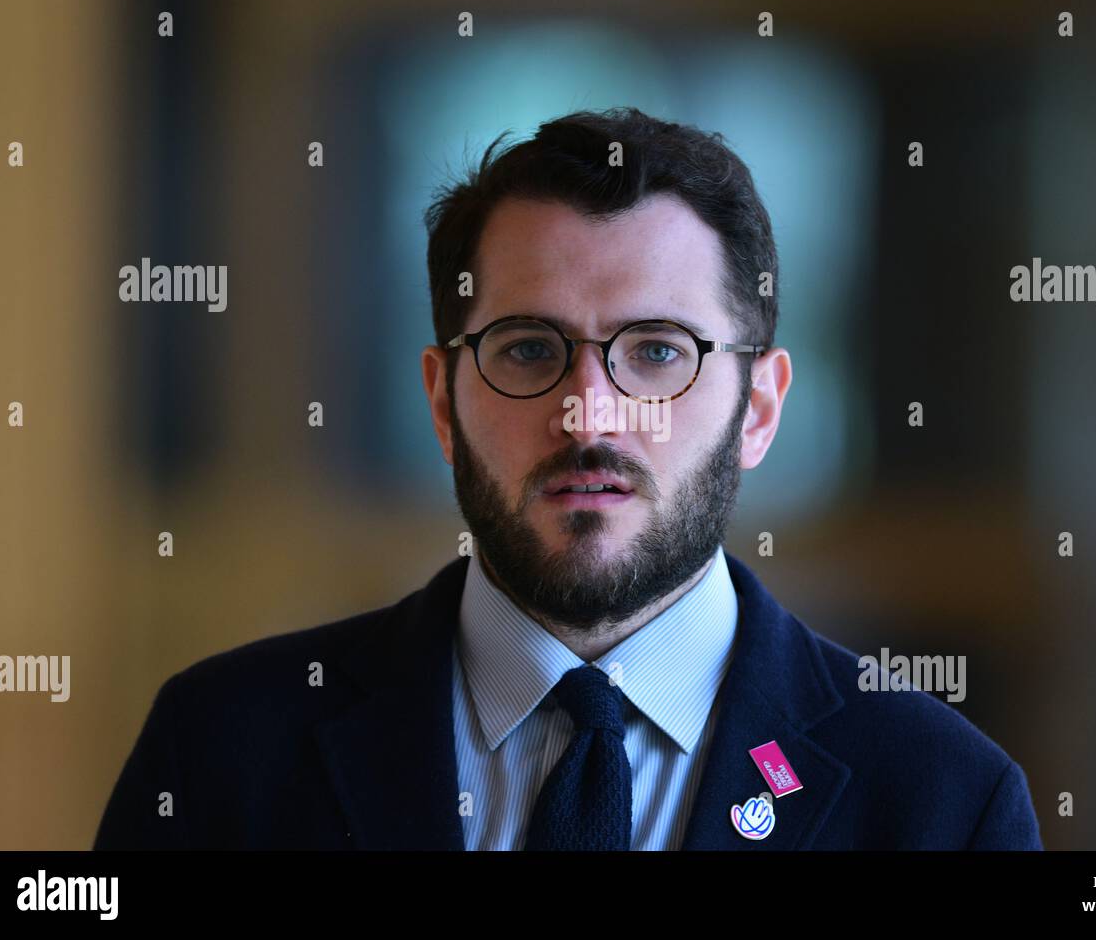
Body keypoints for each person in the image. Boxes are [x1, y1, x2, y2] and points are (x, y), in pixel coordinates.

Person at [94, 107, 1041, 850]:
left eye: (659, 353)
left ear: (759, 406)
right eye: (529, 348)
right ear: (442, 399)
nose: (589, 416)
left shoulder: (941, 802)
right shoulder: (222, 751)